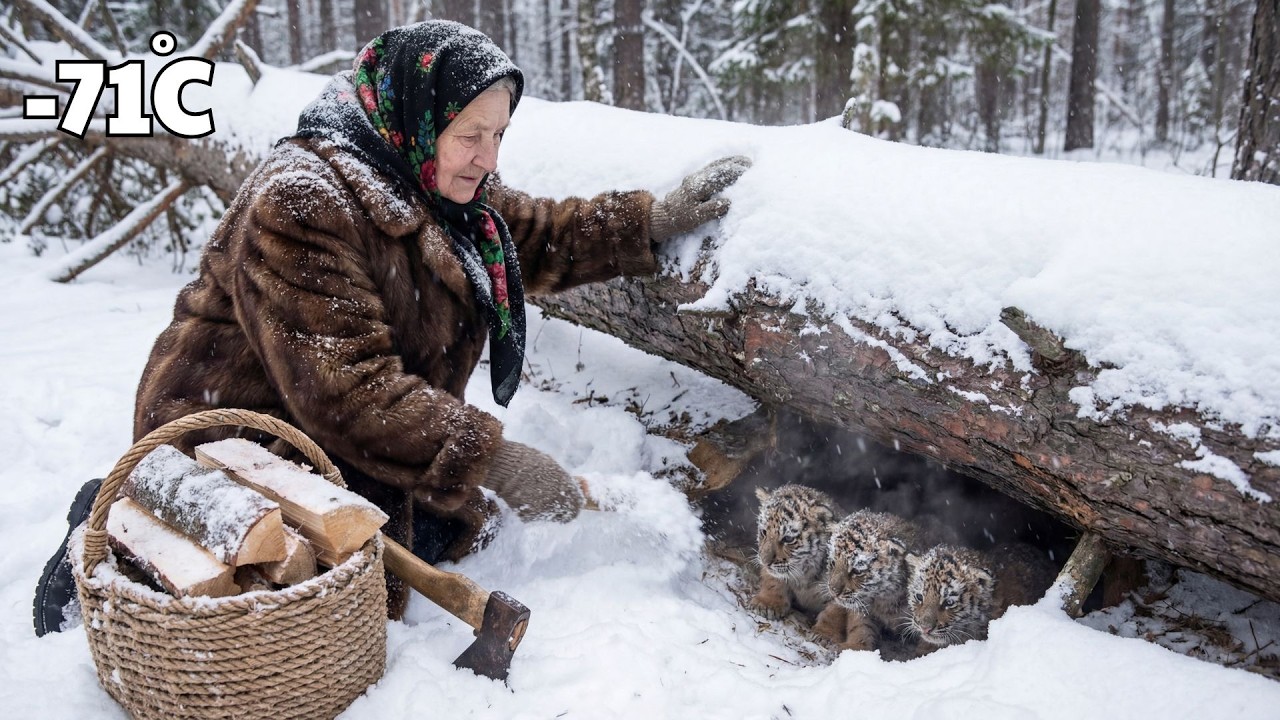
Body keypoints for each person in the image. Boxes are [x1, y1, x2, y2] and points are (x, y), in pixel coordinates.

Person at [34, 20, 749, 632]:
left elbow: (530, 234)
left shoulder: (421, 168)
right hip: (241, 445)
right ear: (420, 115)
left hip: (350, 442)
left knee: (452, 531)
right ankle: (113, 518)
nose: (488, 158)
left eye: (499, 134)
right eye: (472, 135)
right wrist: (495, 459)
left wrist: (649, 220)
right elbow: (349, 390)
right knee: (309, 596)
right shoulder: (302, 200)